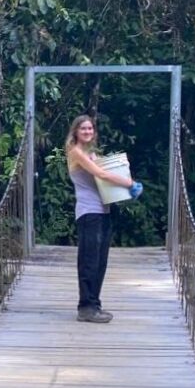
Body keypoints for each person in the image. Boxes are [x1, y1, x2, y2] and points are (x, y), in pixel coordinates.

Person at [64, 114, 140, 323]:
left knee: (100, 262)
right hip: (89, 212)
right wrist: (130, 183)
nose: (87, 132)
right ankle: (86, 307)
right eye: (83, 129)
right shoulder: (76, 152)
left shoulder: (91, 153)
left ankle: (95, 305)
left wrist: (126, 181)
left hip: (103, 211)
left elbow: (109, 171)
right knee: (89, 260)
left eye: (90, 129)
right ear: (75, 132)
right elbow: (103, 175)